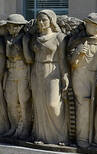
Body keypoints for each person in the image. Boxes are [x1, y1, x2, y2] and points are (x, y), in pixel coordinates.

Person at [67, 12, 97, 147]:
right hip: (80, 75)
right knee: (83, 105)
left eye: (94, 25)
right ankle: (82, 138)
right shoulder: (77, 40)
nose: (90, 27)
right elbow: (72, 63)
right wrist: (78, 53)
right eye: (89, 24)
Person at [27, 9, 70, 144]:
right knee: (39, 104)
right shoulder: (35, 39)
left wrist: (65, 75)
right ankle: (41, 136)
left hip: (53, 70)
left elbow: (62, 58)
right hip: (37, 70)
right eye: (39, 20)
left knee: (53, 104)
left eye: (44, 20)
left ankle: (61, 137)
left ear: (51, 21)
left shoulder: (59, 37)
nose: (41, 22)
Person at [0, 14, 32, 138]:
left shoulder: (24, 38)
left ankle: (24, 128)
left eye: (13, 26)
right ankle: (14, 126)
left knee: (23, 101)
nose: (10, 28)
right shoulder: (8, 38)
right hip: (11, 72)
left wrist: (21, 46)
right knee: (11, 101)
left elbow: (29, 59)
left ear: (19, 27)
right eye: (9, 26)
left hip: (22, 71)